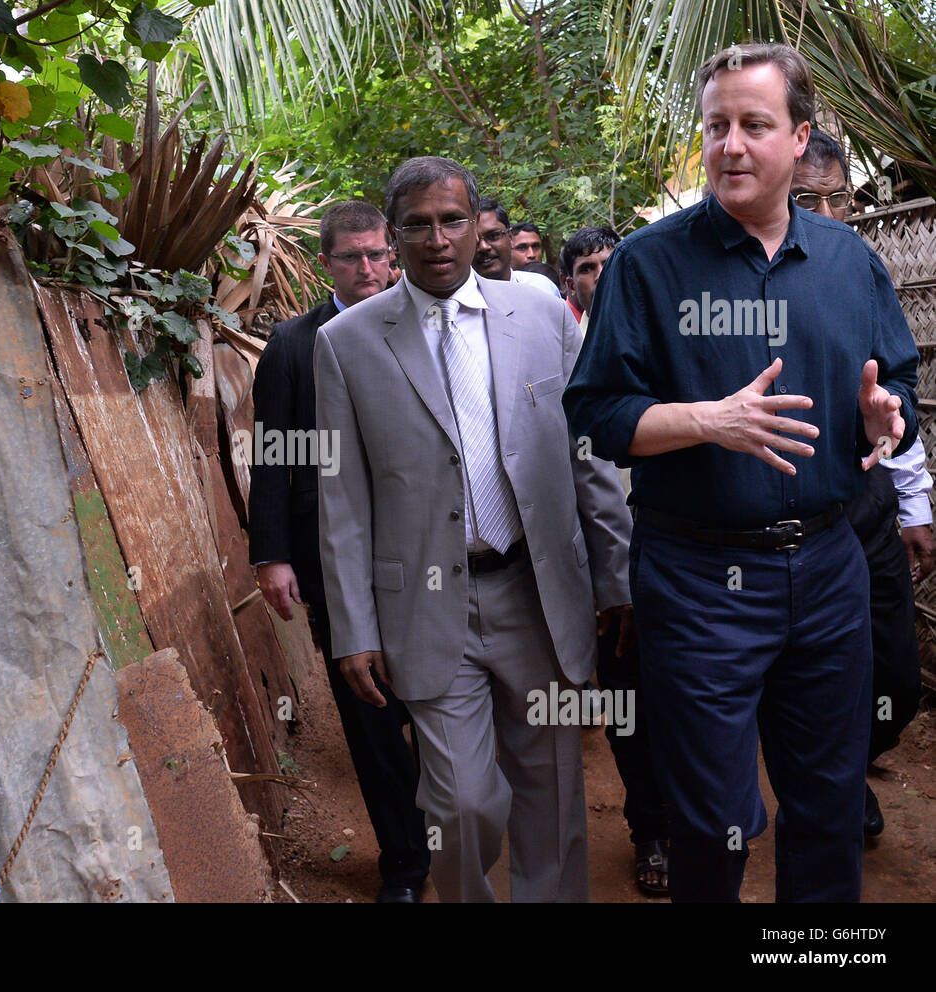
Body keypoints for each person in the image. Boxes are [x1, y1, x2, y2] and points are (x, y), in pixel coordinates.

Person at [564, 43, 920, 903]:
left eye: (754, 125)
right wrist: (706, 422)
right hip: (697, 580)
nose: (730, 145)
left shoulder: (849, 261)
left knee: (829, 805)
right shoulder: (647, 266)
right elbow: (596, 414)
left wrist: (887, 415)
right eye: (717, 125)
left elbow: (896, 377)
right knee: (714, 817)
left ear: (799, 139)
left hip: (831, 566)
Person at [315, 156, 634, 903]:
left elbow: (589, 461)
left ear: (476, 224)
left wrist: (615, 579)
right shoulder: (349, 342)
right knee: (459, 805)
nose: (437, 239)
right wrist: (353, 628)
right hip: (427, 606)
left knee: (551, 798)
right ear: (393, 238)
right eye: (417, 225)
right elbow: (342, 498)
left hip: (535, 593)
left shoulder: (545, 319)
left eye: (452, 219)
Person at [249, 201, 429, 903]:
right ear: (326, 263)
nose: (369, 269)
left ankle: (463, 830)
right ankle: (406, 866)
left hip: (425, 556)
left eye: (379, 254)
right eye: (352, 257)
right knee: (373, 715)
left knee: (440, 702)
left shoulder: (422, 327)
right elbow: (272, 456)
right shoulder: (294, 345)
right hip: (333, 560)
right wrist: (272, 554)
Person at [791, 129, 934, 838]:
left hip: (868, 509)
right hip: (793, 519)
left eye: (835, 197)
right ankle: (838, 788)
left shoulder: (863, 273)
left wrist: (914, 506)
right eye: (804, 198)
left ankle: (856, 758)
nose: (823, 211)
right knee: (821, 683)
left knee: (897, 681)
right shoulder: (745, 283)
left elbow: (895, 392)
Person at [558, 223, 673, 895]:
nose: (604, 277)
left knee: (691, 697)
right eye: (590, 269)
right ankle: (651, 831)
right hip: (607, 565)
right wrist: (609, 579)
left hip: (688, 554)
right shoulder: (561, 355)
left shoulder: (673, 344)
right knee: (627, 698)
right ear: (572, 281)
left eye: (612, 264)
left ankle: (705, 820)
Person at [473, 198, 561, 299]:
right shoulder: (457, 300)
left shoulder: (542, 289)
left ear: (510, 237)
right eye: (474, 240)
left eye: (493, 236)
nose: (484, 247)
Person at [559, 226, 620, 326]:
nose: (601, 275)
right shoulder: (573, 340)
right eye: (586, 269)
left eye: (610, 264)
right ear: (571, 285)